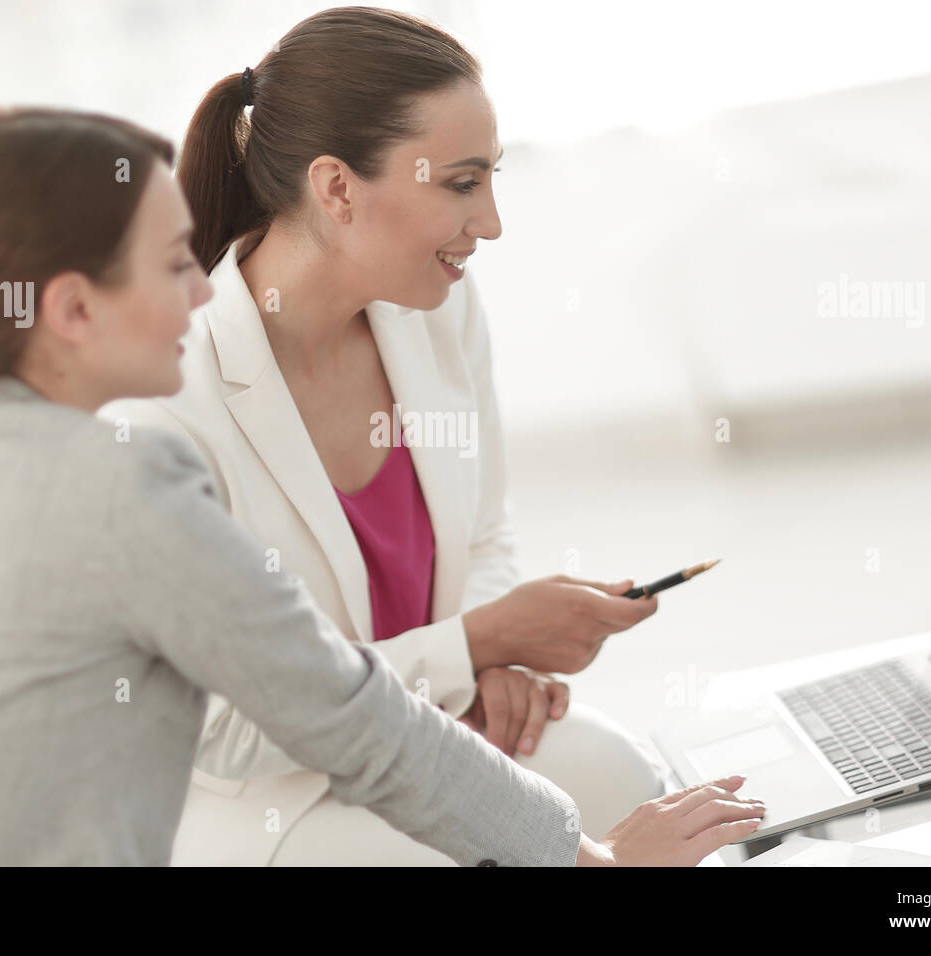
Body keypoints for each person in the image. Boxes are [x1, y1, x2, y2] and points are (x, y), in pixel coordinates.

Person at [0, 104, 764, 867]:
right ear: (74, 307)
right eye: (174, 264)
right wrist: (586, 859)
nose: (205, 289)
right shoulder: (118, 481)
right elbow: (354, 720)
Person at [104, 6, 678, 865]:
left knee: (627, 779)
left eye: (492, 180)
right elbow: (222, 724)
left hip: (427, 737)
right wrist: (479, 644)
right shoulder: (161, 404)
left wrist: (491, 658)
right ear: (337, 189)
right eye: (459, 184)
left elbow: (484, 531)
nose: (490, 222)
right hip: (271, 797)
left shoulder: (436, 313)